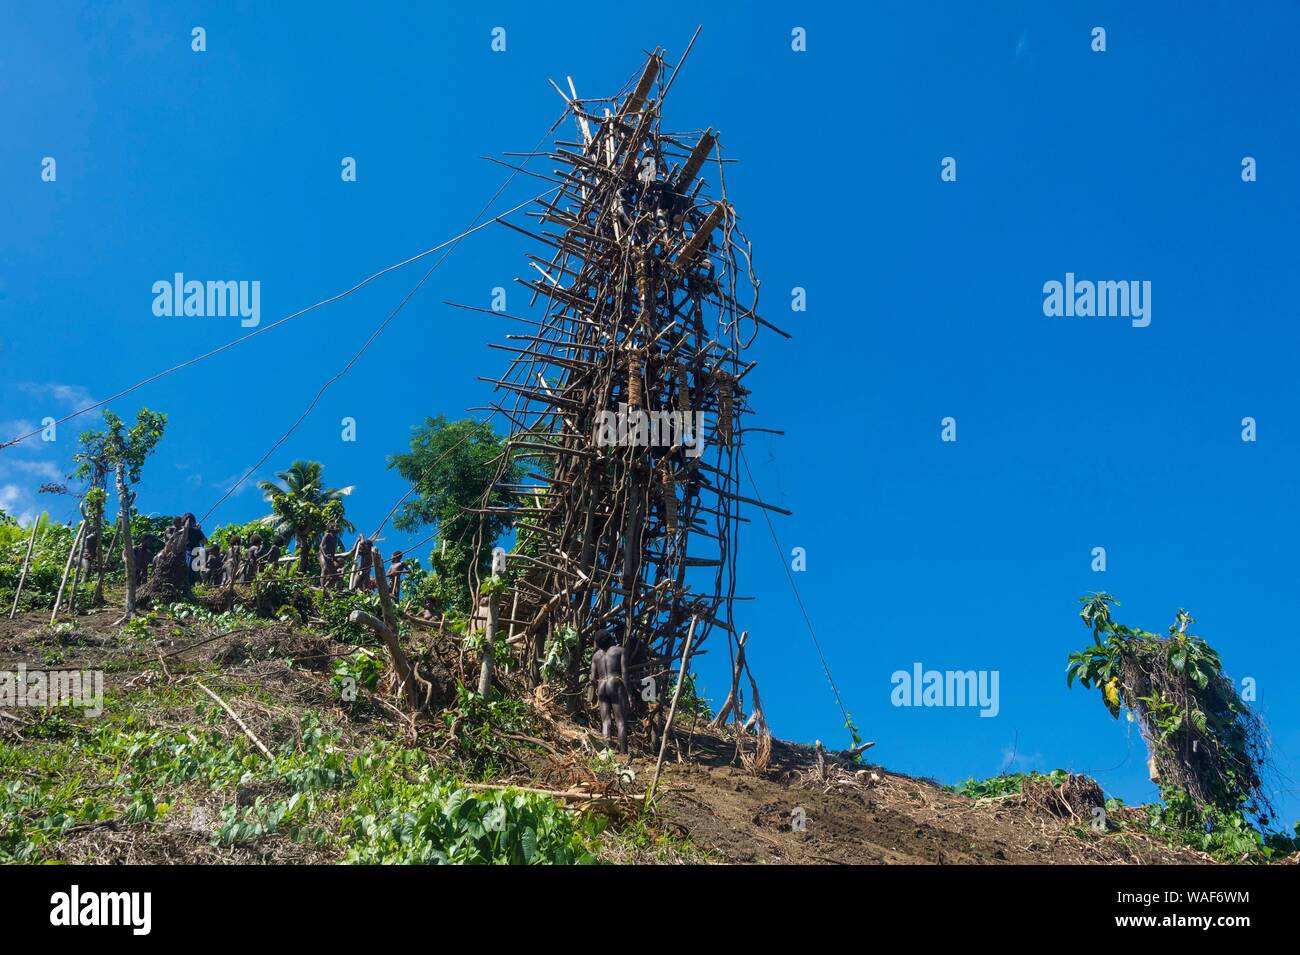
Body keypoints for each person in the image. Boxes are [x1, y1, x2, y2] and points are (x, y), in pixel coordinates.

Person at [588, 627, 630, 755]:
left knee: (605, 720)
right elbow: (624, 672)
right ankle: (623, 753)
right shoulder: (620, 651)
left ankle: (606, 753)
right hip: (615, 682)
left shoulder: (596, 656)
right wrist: (628, 694)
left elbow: (592, 678)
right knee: (621, 720)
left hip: (601, 685)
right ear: (610, 638)